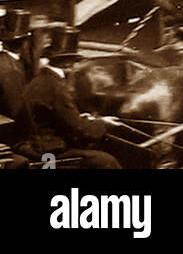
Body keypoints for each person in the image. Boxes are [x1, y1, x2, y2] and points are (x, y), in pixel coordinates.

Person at [0, 20, 120, 169]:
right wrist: (103, 124)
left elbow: (60, 116)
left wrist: (83, 118)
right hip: (45, 151)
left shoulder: (40, 80)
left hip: (32, 144)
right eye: (74, 62)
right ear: (68, 64)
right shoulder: (56, 87)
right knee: (106, 160)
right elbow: (81, 131)